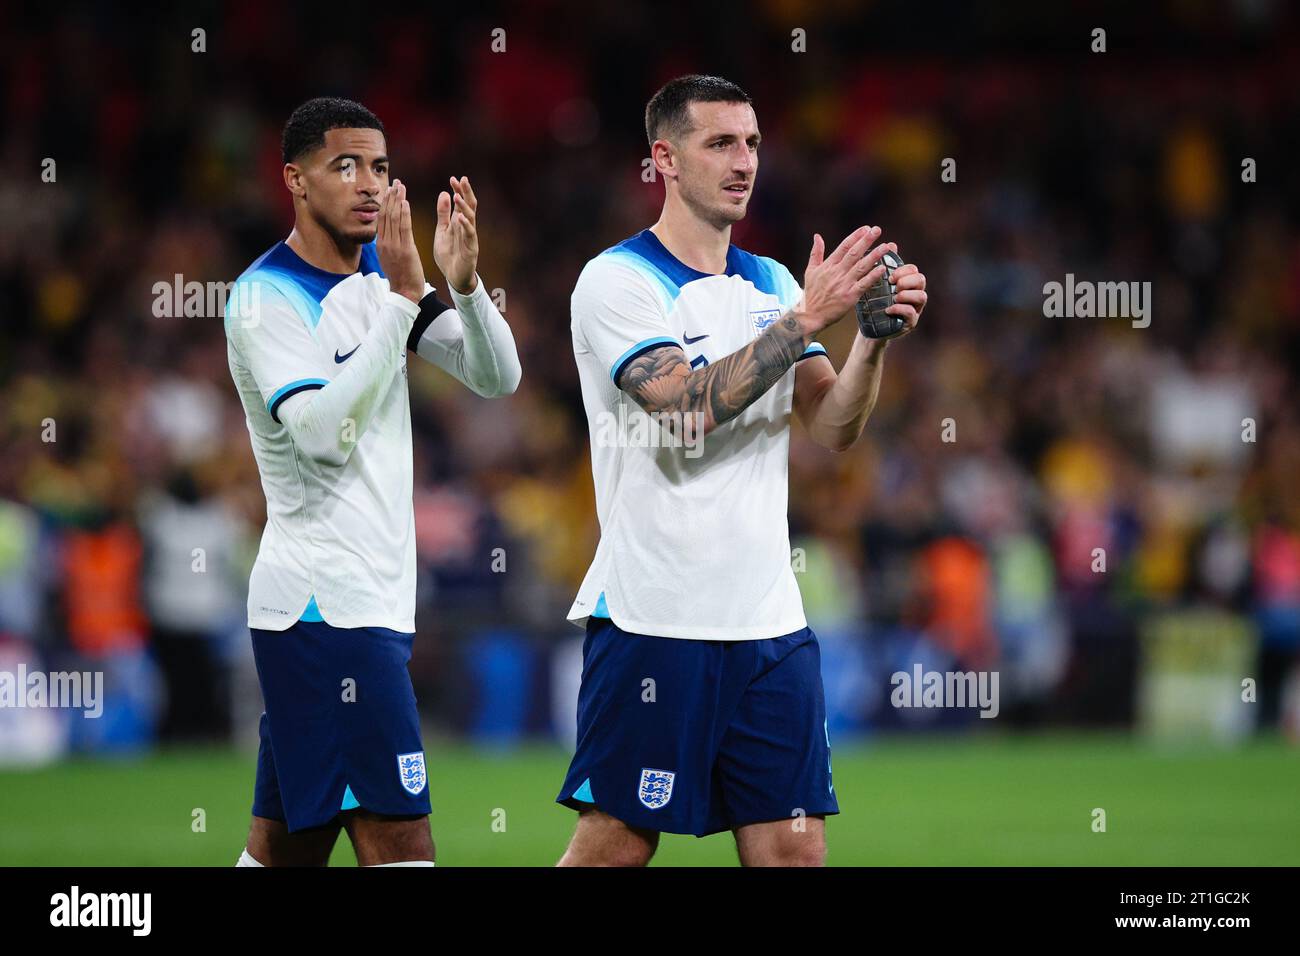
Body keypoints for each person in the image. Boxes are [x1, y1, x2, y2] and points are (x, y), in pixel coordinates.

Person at [556, 75, 926, 866]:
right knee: (615, 846)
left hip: (769, 624)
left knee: (795, 850)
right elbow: (685, 409)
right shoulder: (617, 281)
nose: (744, 161)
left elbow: (833, 426)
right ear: (665, 159)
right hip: (655, 617)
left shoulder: (771, 281)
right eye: (720, 142)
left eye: (752, 142)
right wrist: (801, 322)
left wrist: (872, 340)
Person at [225, 97, 521, 867]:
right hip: (328, 609)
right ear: (294, 179)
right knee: (401, 843)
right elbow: (320, 435)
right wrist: (398, 301)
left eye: (381, 168)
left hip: (355, 607)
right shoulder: (266, 298)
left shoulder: (380, 284)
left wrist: (460, 284)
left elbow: (497, 375)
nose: (368, 185)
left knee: (285, 849)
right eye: (344, 165)